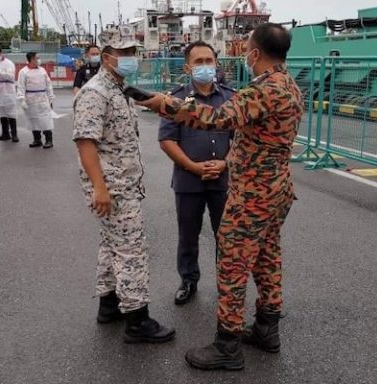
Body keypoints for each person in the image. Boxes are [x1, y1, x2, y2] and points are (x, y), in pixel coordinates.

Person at [137, 23, 303, 370]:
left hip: (253, 195)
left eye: (248, 50)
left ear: (255, 54)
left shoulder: (264, 90)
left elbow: (217, 118)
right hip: (277, 190)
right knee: (267, 259)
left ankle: (227, 346)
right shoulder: (288, 84)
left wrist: (166, 105)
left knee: (232, 265)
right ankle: (266, 329)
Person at [72, 25, 175, 344]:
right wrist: (100, 189)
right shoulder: (95, 92)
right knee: (132, 251)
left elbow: (145, 98)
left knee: (110, 246)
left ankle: (109, 304)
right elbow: (85, 142)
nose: (131, 57)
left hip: (121, 186)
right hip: (112, 189)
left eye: (133, 52)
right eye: (124, 53)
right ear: (105, 58)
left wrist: (167, 102)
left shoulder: (120, 87)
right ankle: (137, 319)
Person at [158, 41, 234, 306]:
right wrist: (192, 166)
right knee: (188, 235)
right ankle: (188, 280)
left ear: (216, 63)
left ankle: (226, 285)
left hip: (223, 180)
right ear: (187, 67)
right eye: (199, 62)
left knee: (225, 235)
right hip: (188, 180)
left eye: (209, 61)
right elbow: (167, 140)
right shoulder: (176, 98)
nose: (205, 66)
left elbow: (241, 139)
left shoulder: (230, 97)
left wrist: (225, 163)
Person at [17, 52, 55, 149]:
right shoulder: (23, 72)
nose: (39, 60)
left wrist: (51, 98)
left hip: (43, 98)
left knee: (46, 120)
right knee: (33, 120)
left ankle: (49, 140)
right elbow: (21, 86)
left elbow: (48, 84)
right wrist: (22, 100)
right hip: (30, 99)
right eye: (37, 58)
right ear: (31, 59)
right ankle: (37, 139)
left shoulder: (42, 70)